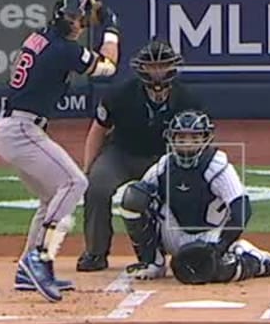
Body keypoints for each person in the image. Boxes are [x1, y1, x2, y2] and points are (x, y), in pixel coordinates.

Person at [0, 0, 121, 302]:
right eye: (76, 19)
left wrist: (92, 20)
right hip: (21, 130)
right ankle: (40, 258)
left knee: (51, 197)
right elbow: (107, 67)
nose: (77, 24)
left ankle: (26, 269)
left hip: (12, 127)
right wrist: (112, 28)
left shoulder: (40, 38)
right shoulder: (64, 50)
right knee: (75, 182)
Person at [76, 39, 204, 272]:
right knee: (96, 186)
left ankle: (181, 248)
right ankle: (95, 252)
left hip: (163, 158)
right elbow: (98, 129)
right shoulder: (120, 94)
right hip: (122, 153)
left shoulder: (187, 100)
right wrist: (88, 168)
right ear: (141, 69)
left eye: (162, 66)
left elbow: (198, 141)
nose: (157, 72)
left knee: (185, 191)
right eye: (151, 67)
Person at [116, 109, 270, 285]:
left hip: (210, 236)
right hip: (174, 233)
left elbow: (241, 209)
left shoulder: (217, 166)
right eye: (182, 138)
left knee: (217, 273)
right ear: (172, 138)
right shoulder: (164, 165)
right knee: (133, 198)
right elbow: (139, 195)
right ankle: (153, 262)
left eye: (194, 138)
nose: (188, 144)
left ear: (205, 139)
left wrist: (220, 247)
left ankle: (255, 259)